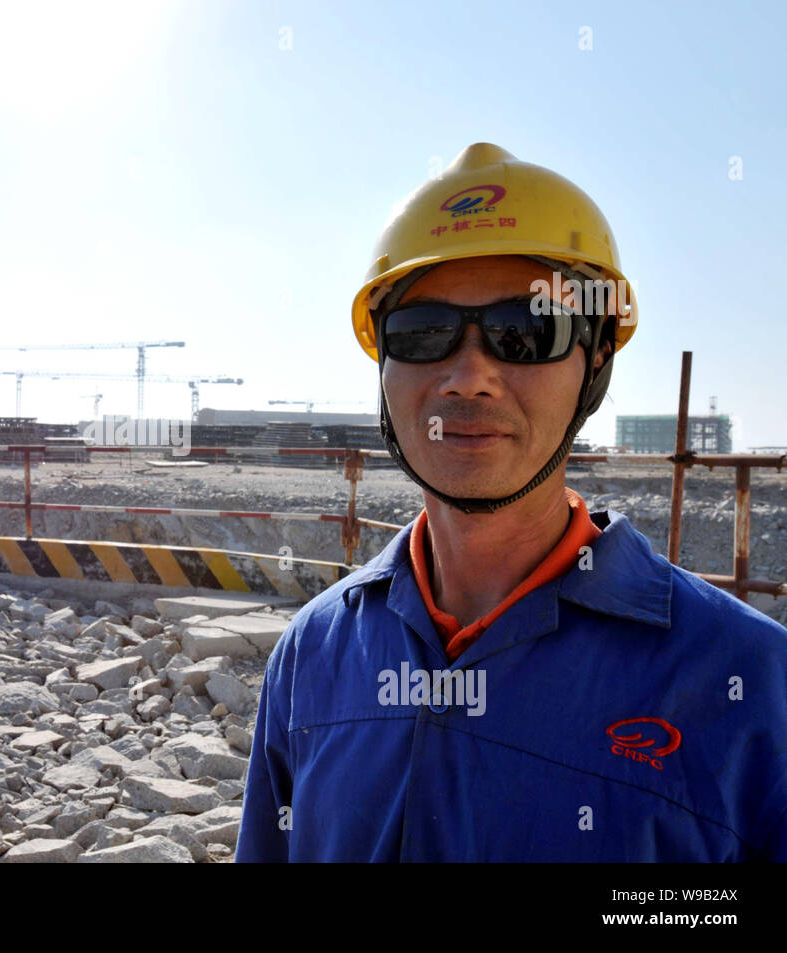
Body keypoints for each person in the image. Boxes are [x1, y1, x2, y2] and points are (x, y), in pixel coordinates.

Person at [235, 142, 787, 862]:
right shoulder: (314, 655)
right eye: (423, 332)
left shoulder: (747, 682)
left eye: (525, 332)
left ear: (595, 363)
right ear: (384, 366)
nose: (470, 377)